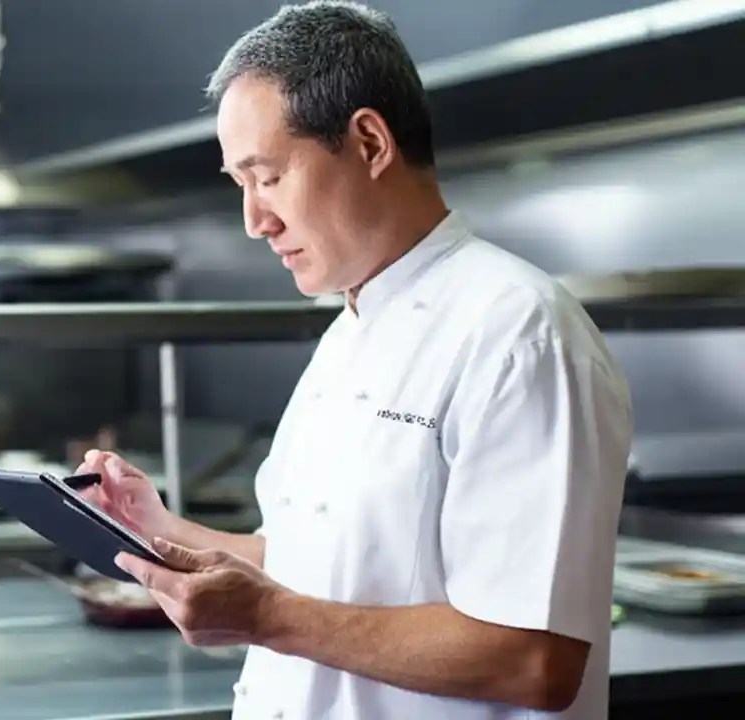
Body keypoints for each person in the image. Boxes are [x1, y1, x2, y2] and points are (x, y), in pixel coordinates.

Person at [74, 2, 633, 719]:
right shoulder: (349, 328)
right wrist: (160, 530)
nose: (254, 220)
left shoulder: (520, 333)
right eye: (239, 185)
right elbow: (324, 561)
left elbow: (536, 659)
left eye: (267, 176)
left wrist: (269, 619)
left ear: (369, 142)